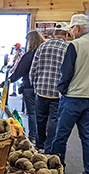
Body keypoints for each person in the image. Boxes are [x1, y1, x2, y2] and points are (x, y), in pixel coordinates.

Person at [51, 14, 89, 174]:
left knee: (61, 134)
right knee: (87, 135)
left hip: (73, 96)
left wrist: (62, 89)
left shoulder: (75, 45)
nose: (71, 33)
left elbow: (67, 71)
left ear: (78, 28)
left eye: (72, 29)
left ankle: (57, 168)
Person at [30, 22, 70, 153]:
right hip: (58, 92)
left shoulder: (43, 46)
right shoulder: (68, 48)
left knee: (40, 119)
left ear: (54, 34)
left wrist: (35, 86)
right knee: (54, 120)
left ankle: (40, 145)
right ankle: (49, 148)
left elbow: (33, 69)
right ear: (66, 34)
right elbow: (70, 71)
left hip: (41, 90)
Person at [10, 30, 43, 144]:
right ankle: (41, 138)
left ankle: (33, 137)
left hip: (29, 87)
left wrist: (10, 80)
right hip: (42, 88)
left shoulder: (29, 55)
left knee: (32, 113)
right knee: (41, 114)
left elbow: (20, 71)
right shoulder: (43, 53)